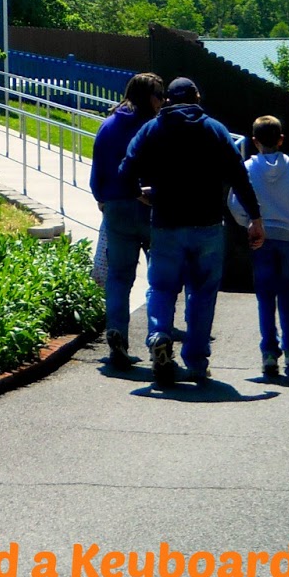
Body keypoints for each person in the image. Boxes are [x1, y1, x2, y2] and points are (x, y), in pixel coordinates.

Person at [118, 76, 264, 387]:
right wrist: (255, 218)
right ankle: (197, 362)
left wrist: (139, 192)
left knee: (161, 288)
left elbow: (126, 168)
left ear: (168, 99)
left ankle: (158, 334)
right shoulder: (215, 129)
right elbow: (239, 176)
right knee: (202, 294)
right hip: (207, 225)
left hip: (166, 223)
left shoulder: (152, 129)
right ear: (197, 96)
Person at [228, 115, 289, 377]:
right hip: (288, 237)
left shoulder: (247, 168)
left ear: (254, 141)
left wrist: (248, 222)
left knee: (265, 296)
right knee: (287, 293)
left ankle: (269, 352)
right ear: (281, 139)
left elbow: (235, 203)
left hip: (260, 236)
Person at [89, 72, 165, 368]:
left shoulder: (108, 125)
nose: (163, 101)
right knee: (158, 277)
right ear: (149, 96)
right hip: (150, 207)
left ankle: (117, 332)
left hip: (116, 206)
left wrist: (102, 196)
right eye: (159, 94)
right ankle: (159, 337)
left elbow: (98, 170)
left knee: (119, 277)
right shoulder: (155, 127)